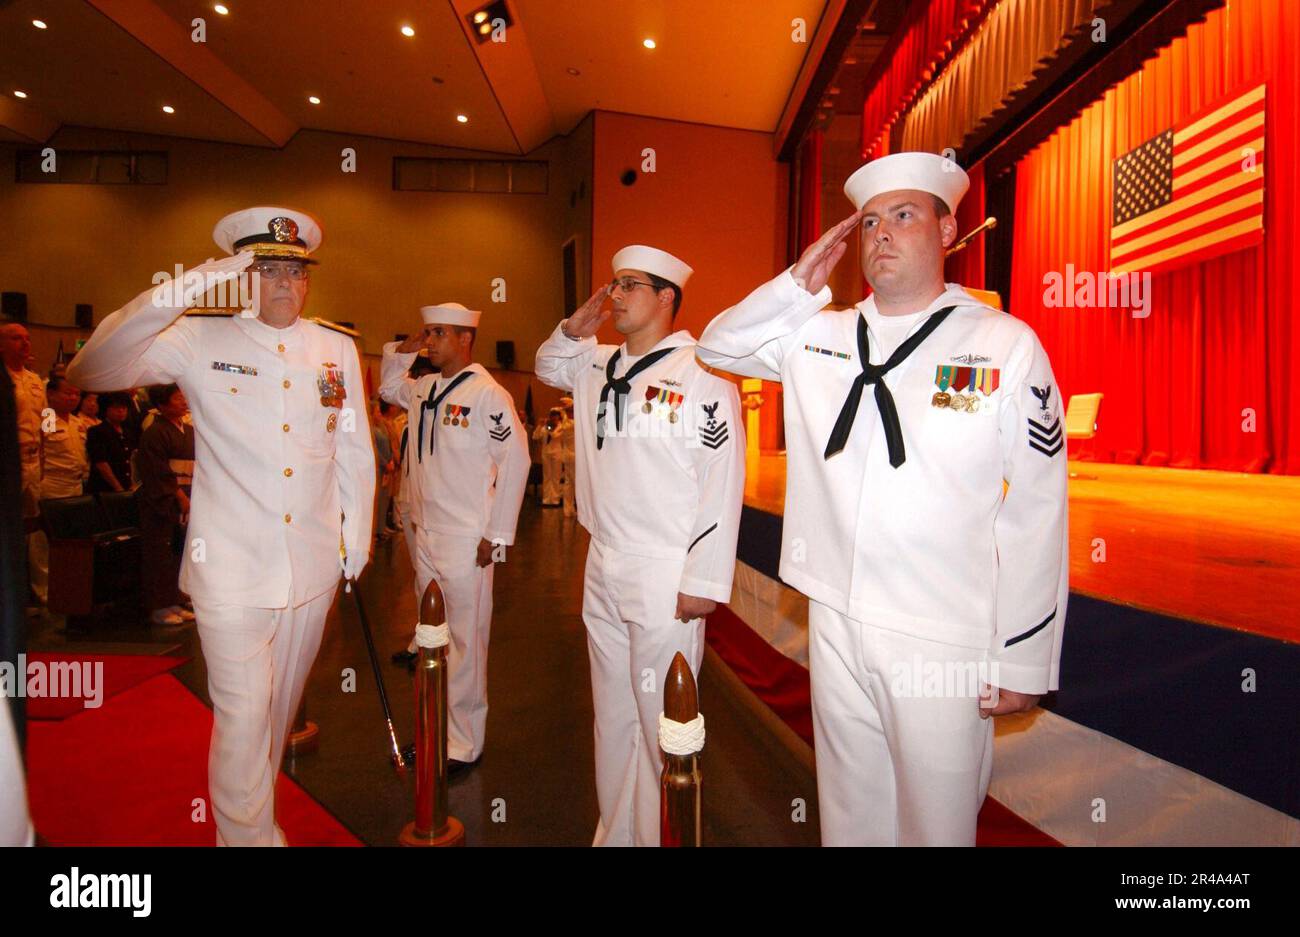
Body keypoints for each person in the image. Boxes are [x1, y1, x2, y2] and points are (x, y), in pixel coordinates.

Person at [696, 152, 1069, 846]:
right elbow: (717, 347)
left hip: (942, 631)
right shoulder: (820, 335)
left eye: (904, 215)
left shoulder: (1002, 345)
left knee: (935, 829)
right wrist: (794, 285)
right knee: (850, 820)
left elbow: (1039, 506)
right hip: (834, 619)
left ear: (948, 228)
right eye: (870, 221)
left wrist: (1023, 654)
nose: (883, 234)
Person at [67, 205, 376, 845]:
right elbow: (91, 371)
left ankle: (253, 823)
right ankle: (248, 838)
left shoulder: (336, 347)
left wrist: (358, 539)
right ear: (241, 275)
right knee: (242, 717)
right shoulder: (197, 338)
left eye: (294, 269)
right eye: (266, 269)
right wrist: (188, 286)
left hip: (313, 566)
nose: (284, 283)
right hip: (230, 569)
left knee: (276, 715)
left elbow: (352, 448)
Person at [535, 245, 746, 846]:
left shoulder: (701, 376)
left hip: (665, 569)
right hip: (602, 559)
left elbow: (720, 483)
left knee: (662, 723)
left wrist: (702, 581)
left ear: (666, 298)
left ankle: (667, 837)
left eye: (629, 286)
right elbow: (548, 366)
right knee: (613, 714)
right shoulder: (594, 363)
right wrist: (573, 328)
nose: (616, 296)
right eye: (614, 285)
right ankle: (619, 832)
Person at [380, 302, 529, 773]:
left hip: (467, 537)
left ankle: (463, 743)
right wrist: (403, 350)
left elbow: (516, 461)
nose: (429, 342)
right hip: (426, 531)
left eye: (438, 333)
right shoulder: (424, 388)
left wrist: (497, 534)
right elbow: (387, 387)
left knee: (465, 643)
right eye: (427, 333)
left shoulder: (489, 395)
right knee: (432, 640)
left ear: (465, 339)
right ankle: (434, 731)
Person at [137, 383, 196, 627]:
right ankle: (160, 606)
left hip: (191, 490)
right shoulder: (154, 432)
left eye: (184, 397)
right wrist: (178, 495)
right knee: (161, 552)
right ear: (161, 404)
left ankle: (178, 598)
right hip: (162, 498)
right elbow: (156, 470)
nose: (183, 402)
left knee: (181, 552)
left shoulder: (190, 431)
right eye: (177, 398)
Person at [28, 376, 89, 606]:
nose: (73, 398)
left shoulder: (76, 422)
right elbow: (41, 447)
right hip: (52, 483)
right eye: (67, 393)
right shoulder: (48, 418)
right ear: (51, 394)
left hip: (75, 484)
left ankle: (67, 586)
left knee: (70, 540)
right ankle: (43, 589)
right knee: (44, 540)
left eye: (76, 394)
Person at [85, 391, 134, 493]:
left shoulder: (127, 431)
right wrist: (118, 488)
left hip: (126, 485)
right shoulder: (96, 431)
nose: (121, 411)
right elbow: (101, 464)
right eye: (116, 407)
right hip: (103, 487)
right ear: (106, 409)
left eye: (124, 408)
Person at [532, 407, 565, 506]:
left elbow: (555, 436)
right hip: (546, 454)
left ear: (559, 417)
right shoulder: (545, 426)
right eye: (552, 415)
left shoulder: (562, 427)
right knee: (547, 477)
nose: (554, 417)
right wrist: (539, 426)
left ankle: (555, 499)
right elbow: (535, 436)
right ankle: (546, 499)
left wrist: (549, 428)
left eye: (556, 415)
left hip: (557, 454)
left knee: (556, 477)